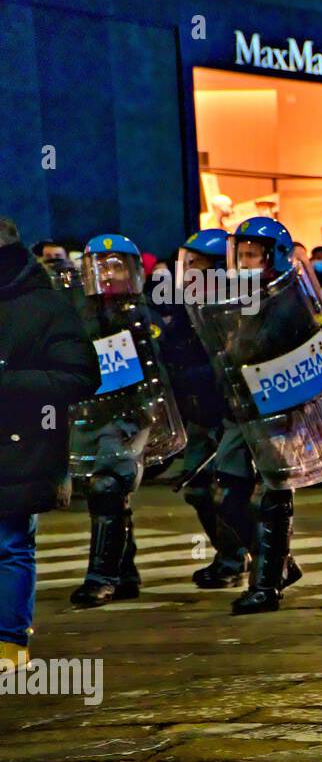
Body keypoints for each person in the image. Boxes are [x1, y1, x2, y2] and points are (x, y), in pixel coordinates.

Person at [0, 216, 100, 670]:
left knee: (9, 542)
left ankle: (8, 645)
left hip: (21, 443)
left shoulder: (45, 306)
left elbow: (80, 376)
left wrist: (9, 382)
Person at [67, 234, 186, 607]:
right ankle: (125, 572)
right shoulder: (77, 311)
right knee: (105, 492)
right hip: (91, 414)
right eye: (100, 265)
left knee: (107, 487)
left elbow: (160, 369)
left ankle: (101, 578)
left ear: (132, 271)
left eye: (116, 265)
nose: (108, 272)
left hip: (129, 415)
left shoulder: (143, 314)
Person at [223, 217, 309, 614]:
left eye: (252, 255)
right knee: (228, 495)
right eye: (240, 255)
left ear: (274, 257)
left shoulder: (291, 298)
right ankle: (279, 563)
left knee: (275, 494)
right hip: (244, 409)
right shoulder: (239, 298)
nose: (244, 262)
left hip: (278, 408)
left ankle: (266, 584)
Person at [164, 229, 251, 588]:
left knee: (231, 492)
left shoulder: (237, 309)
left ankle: (260, 559)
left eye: (195, 263)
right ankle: (231, 555)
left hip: (232, 417)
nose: (185, 270)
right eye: (185, 262)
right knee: (198, 490)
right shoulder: (183, 309)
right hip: (199, 415)